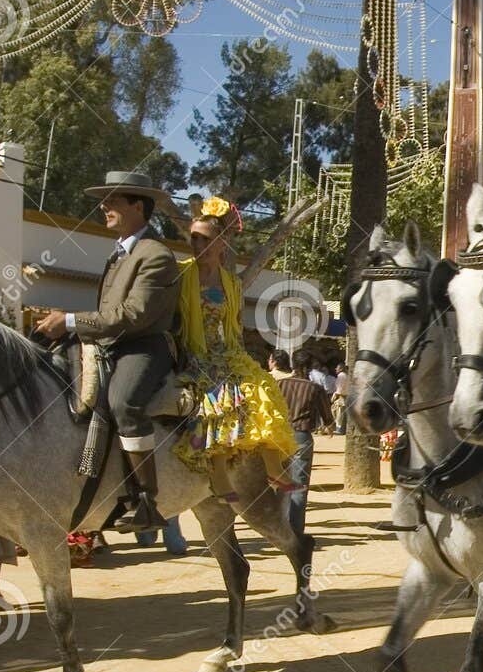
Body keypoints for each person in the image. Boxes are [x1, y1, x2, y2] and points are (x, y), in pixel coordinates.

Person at [33, 170, 181, 533]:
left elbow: (133, 315)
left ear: (137, 206)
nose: (104, 206)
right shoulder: (118, 254)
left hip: (145, 346)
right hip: (110, 343)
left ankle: (147, 499)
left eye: (112, 199)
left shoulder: (157, 255)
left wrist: (68, 321)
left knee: (123, 401)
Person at [172, 197, 298, 498]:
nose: (196, 243)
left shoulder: (231, 283)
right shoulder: (179, 274)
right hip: (193, 353)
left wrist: (237, 357)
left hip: (226, 351)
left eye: (204, 238)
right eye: (193, 237)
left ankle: (272, 464)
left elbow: (235, 325)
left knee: (263, 388)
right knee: (218, 399)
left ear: (220, 244)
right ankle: (216, 472)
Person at [269, 349, 331, 537]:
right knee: (298, 486)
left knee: (278, 482)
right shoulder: (314, 388)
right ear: (310, 366)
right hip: (301, 437)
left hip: (279, 437)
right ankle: (294, 531)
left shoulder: (279, 385)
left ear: (292, 364)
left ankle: (276, 526)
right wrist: (328, 426)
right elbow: (327, 418)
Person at [330, 361, 349, 435]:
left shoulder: (341, 376)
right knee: (340, 414)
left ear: (341, 369)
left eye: (337, 368)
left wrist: (334, 397)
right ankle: (341, 429)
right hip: (344, 396)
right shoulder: (346, 375)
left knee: (339, 414)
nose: (335, 369)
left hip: (341, 397)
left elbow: (339, 390)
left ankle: (340, 429)